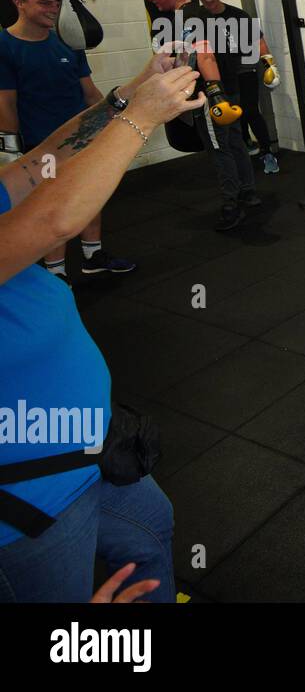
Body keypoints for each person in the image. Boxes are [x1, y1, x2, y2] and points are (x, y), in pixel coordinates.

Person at [0, 47, 200, 601]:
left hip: (91, 446)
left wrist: (127, 96)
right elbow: (51, 222)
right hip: (26, 493)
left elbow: (37, 163)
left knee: (149, 541)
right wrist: (141, 119)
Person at [0, 0, 135, 280]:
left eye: (56, 3)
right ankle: (57, 273)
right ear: (18, 2)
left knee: (90, 193)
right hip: (41, 144)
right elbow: (5, 103)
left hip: (82, 138)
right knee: (51, 205)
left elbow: (88, 91)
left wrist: (117, 123)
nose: (53, 9)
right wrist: (12, 150)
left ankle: (92, 255)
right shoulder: (5, 47)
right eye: (44, 2)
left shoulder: (68, 40)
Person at [142, 0, 258, 231]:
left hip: (211, 93)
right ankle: (249, 192)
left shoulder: (189, 16)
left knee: (220, 149)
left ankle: (231, 206)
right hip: (229, 87)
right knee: (236, 140)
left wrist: (214, 93)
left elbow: (205, 56)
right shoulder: (201, 12)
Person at [194, 0, 281, 175]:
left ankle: (267, 153)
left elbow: (259, 41)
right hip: (218, 75)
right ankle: (244, 149)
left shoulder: (237, 15)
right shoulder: (197, 17)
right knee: (231, 115)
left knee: (250, 110)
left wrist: (269, 65)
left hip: (244, 70)